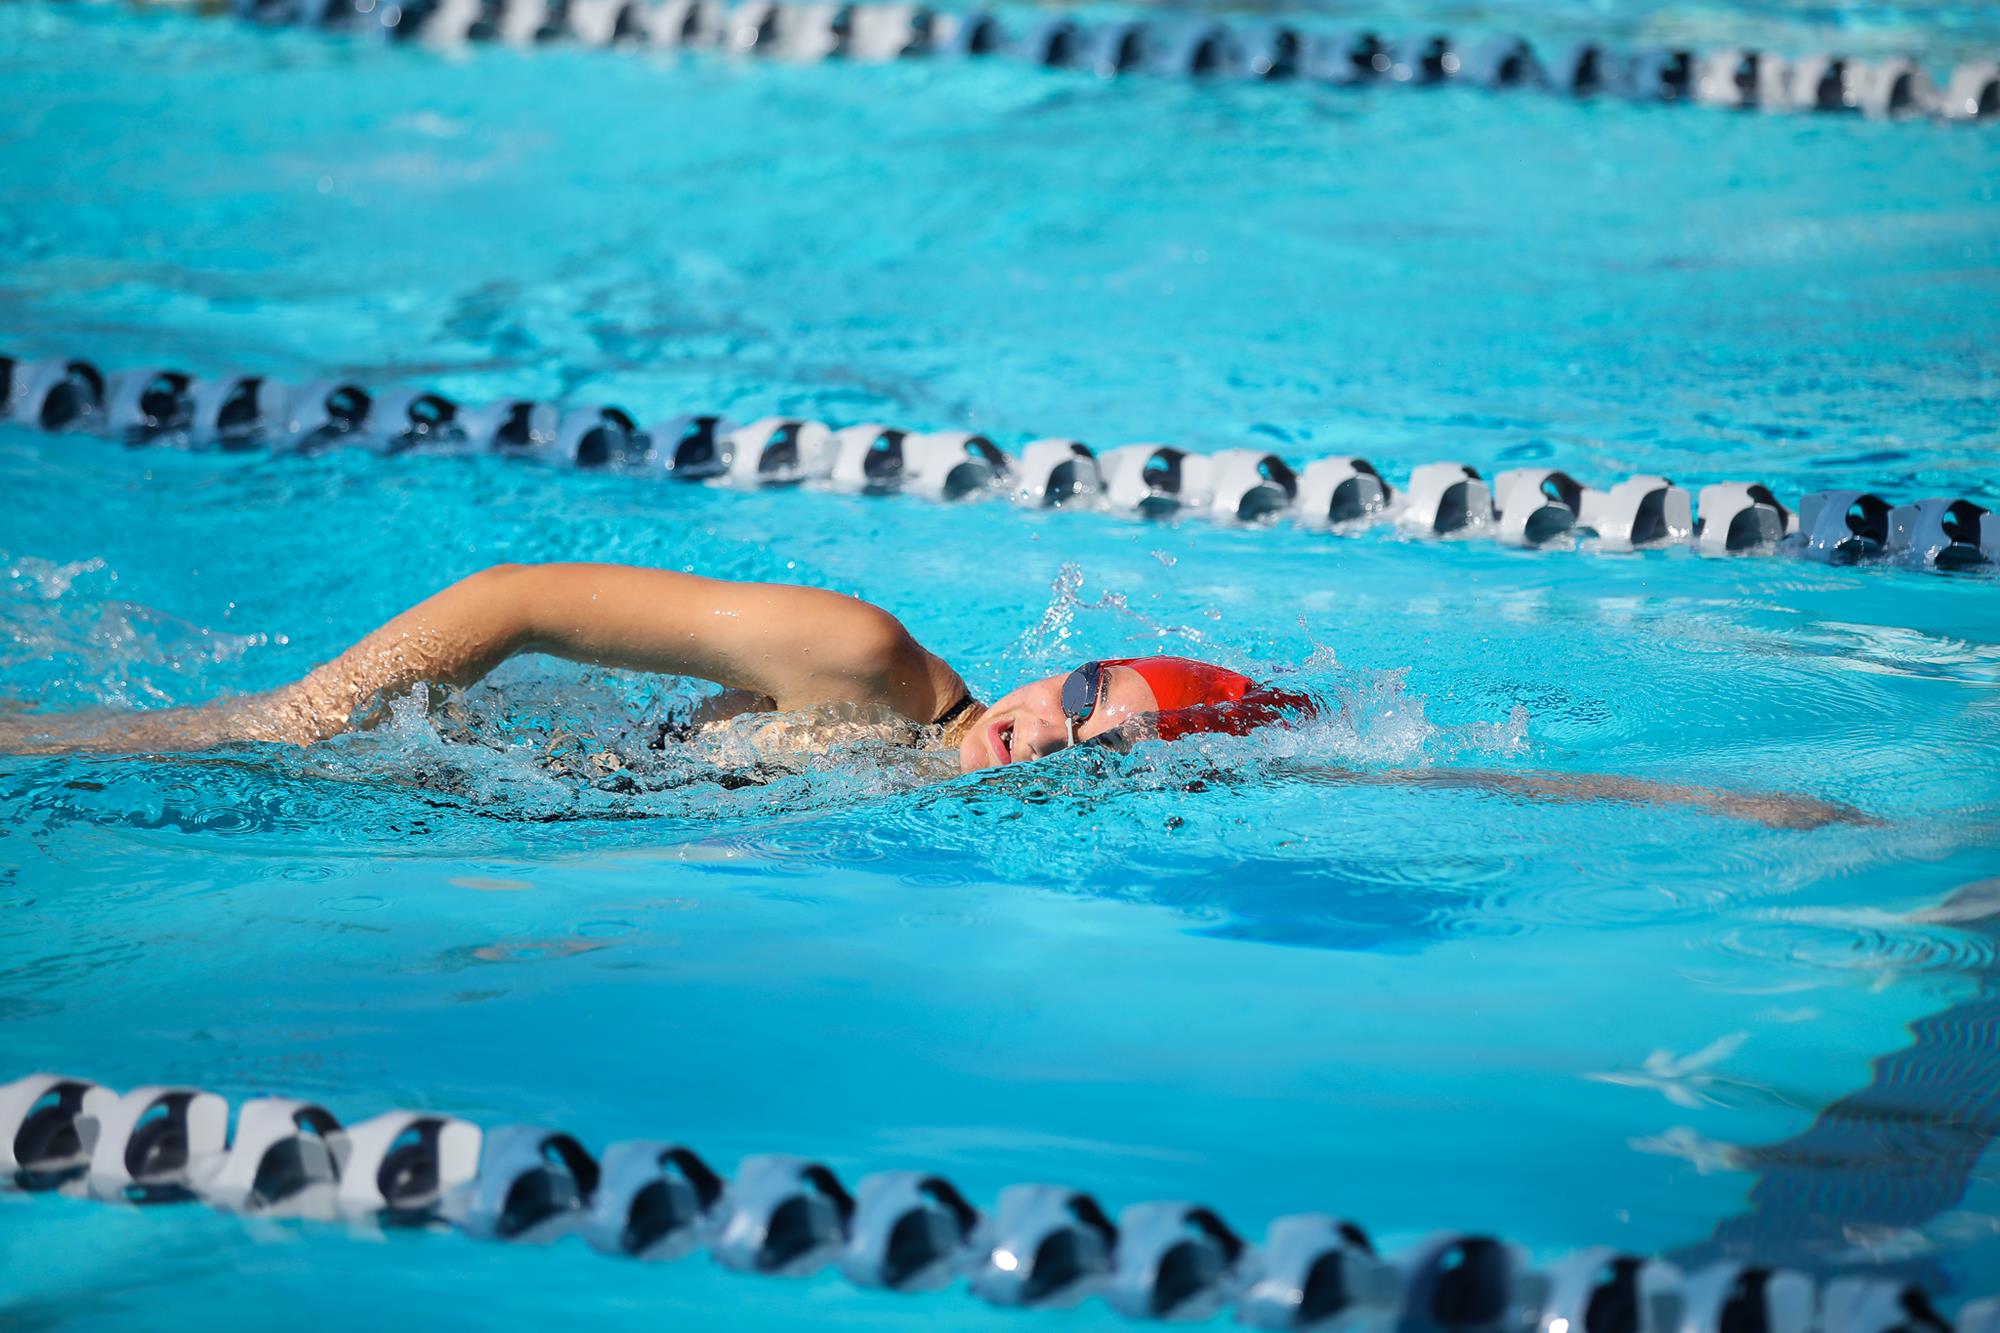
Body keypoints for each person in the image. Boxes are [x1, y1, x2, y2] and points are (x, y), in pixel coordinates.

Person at [0, 562, 1871, 828]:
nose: (1027, 724)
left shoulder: (952, 812)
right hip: (408, 754)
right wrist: (288, 721)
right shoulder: (863, 662)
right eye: (1065, 683)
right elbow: (510, 596)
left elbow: (1421, 788)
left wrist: (1722, 808)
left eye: (1079, 742)